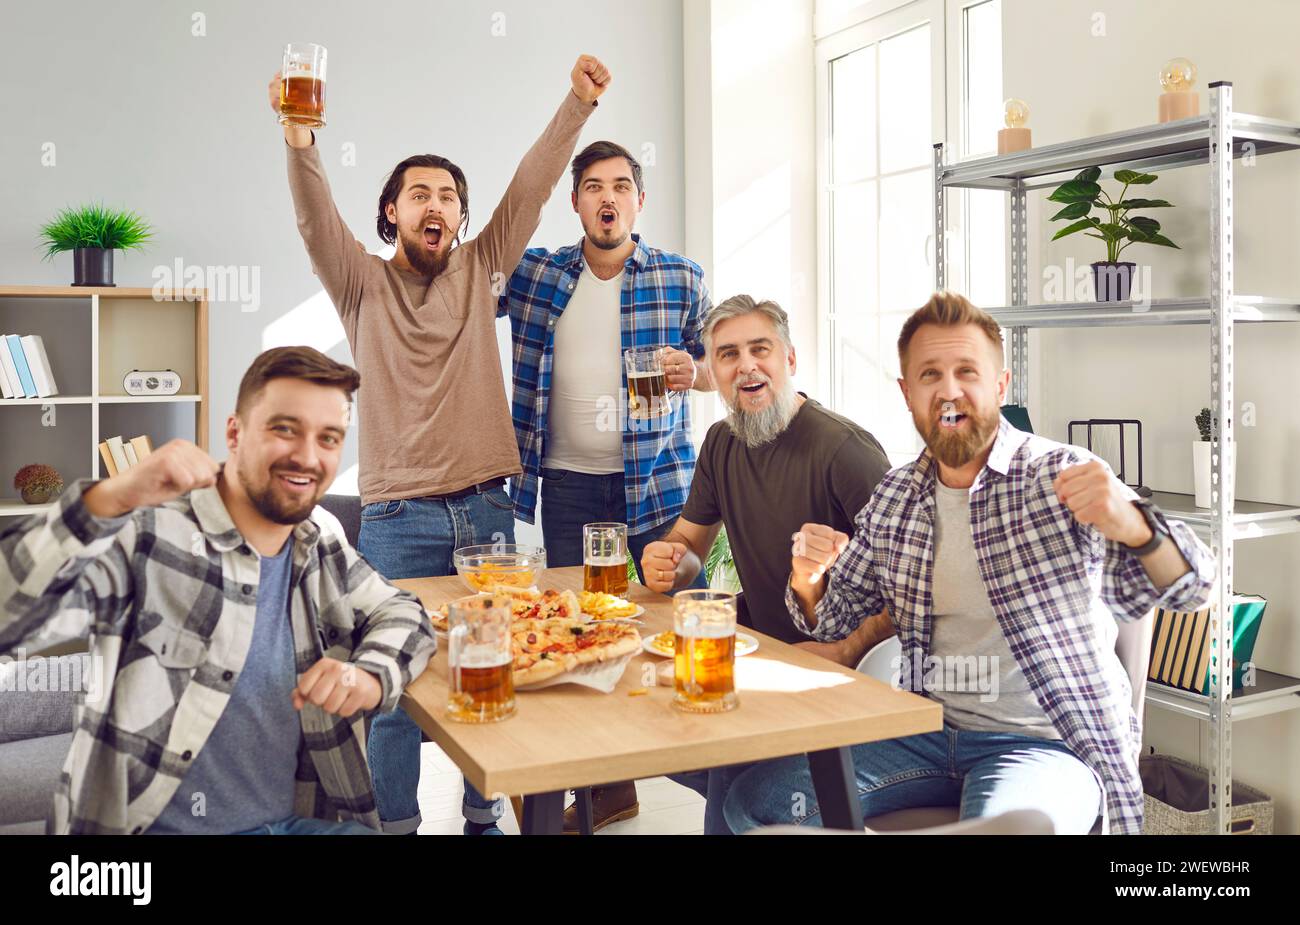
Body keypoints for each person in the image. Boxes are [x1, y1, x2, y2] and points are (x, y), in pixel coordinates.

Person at [723, 291, 1216, 835]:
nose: (950, 390)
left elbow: (1197, 589)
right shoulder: (895, 497)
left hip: (1043, 743)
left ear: (999, 385)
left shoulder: (1062, 475)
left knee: (1007, 829)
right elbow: (834, 620)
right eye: (930, 375)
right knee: (755, 802)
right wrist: (808, 579)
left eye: (967, 371)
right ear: (907, 394)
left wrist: (1137, 527)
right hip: (923, 732)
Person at [273, 55, 609, 834]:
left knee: (487, 678)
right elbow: (313, 215)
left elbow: (529, 185)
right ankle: (396, 826)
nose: (438, 204)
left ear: (460, 217)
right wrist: (299, 139)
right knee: (393, 692)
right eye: (419, 193)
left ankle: (482, 817)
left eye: (449, 196)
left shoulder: (483, 268)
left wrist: (577, 103)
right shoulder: (359, 282)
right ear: (390, 213)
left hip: (488, 513)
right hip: (398, 520)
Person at [0, 347, 436, 835]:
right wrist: (109, 497)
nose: (308, 456)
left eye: (329, 438)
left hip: (291, 823)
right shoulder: (151, 531)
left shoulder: (319, 537)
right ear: (234, 432)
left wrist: (371, 675)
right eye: (284, 428)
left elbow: (403, 613)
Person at [499, 140, 712, 832]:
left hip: (656, 484)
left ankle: (709, 767)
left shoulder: (681, 276)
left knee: (663, 624)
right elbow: (470, 287)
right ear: (577, 203)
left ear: (639, 202)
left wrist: (693, 370)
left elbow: (715, 367)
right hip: (566, 485)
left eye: (621, 185)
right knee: (580, 636)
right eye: (594, 186)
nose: (608, 198)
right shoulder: (538, 274)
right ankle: (605, 789)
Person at [639, 294, 893, 834]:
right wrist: (667, 562)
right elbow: (690, 545)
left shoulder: (844, 449)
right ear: (716, 371)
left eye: (761, 349)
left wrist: (845, 650)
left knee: (733, 778)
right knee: (651, 731)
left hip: (846, 672)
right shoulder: (720, 442)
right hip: (763, 655)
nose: (746, 365)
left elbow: (917, 587)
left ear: (790, 360)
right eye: (729, 354)